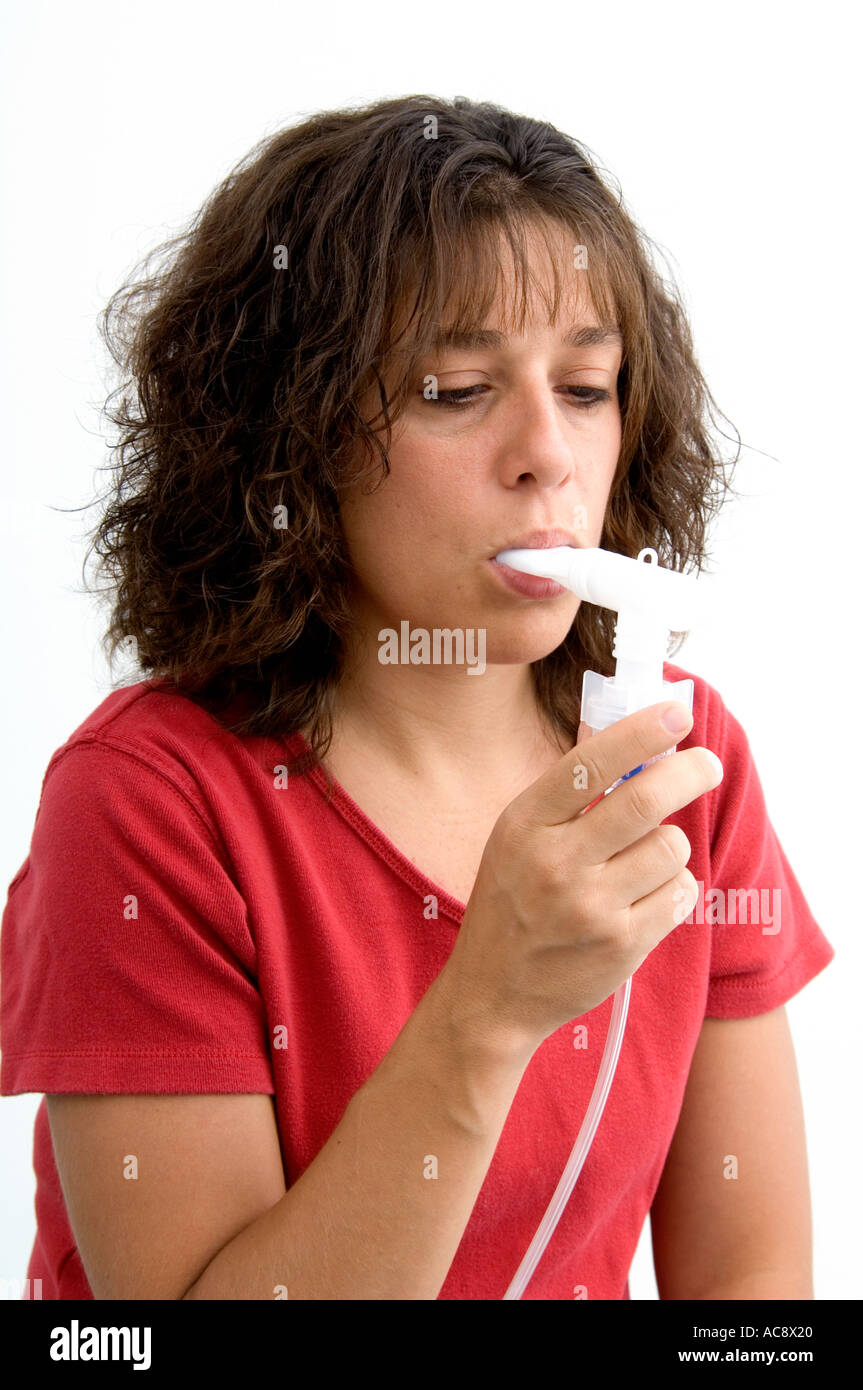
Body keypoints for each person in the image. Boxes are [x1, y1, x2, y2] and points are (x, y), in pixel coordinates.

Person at [0, 94, 834, 1301]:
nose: (546, 451)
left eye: (586, 387)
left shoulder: (681, 760)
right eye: (454, 389)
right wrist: (489, 1008)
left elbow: (751, 1291)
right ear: (288, 439)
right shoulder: (146, 803)